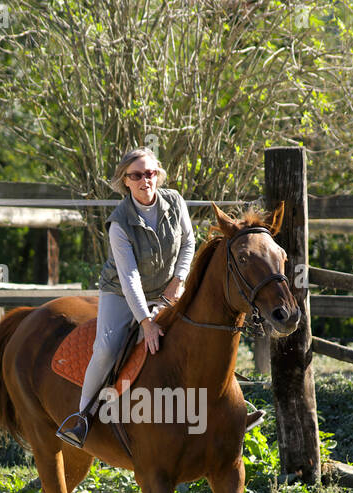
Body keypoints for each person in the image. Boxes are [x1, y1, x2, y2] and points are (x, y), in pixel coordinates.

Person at [57, 147, 262, 448]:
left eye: (150, 173)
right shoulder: (118, 224)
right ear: (125, 181)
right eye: (136, 175)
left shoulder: (175, 201)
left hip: (169, 288)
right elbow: (129, 278)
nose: (145, 180)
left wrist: (178, 281)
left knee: (204, 334)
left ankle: (230, 409)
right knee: (106, 347)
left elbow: (189, 243)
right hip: (121, 293)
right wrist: (146, 322)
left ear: (158, 175)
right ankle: (83, 417)